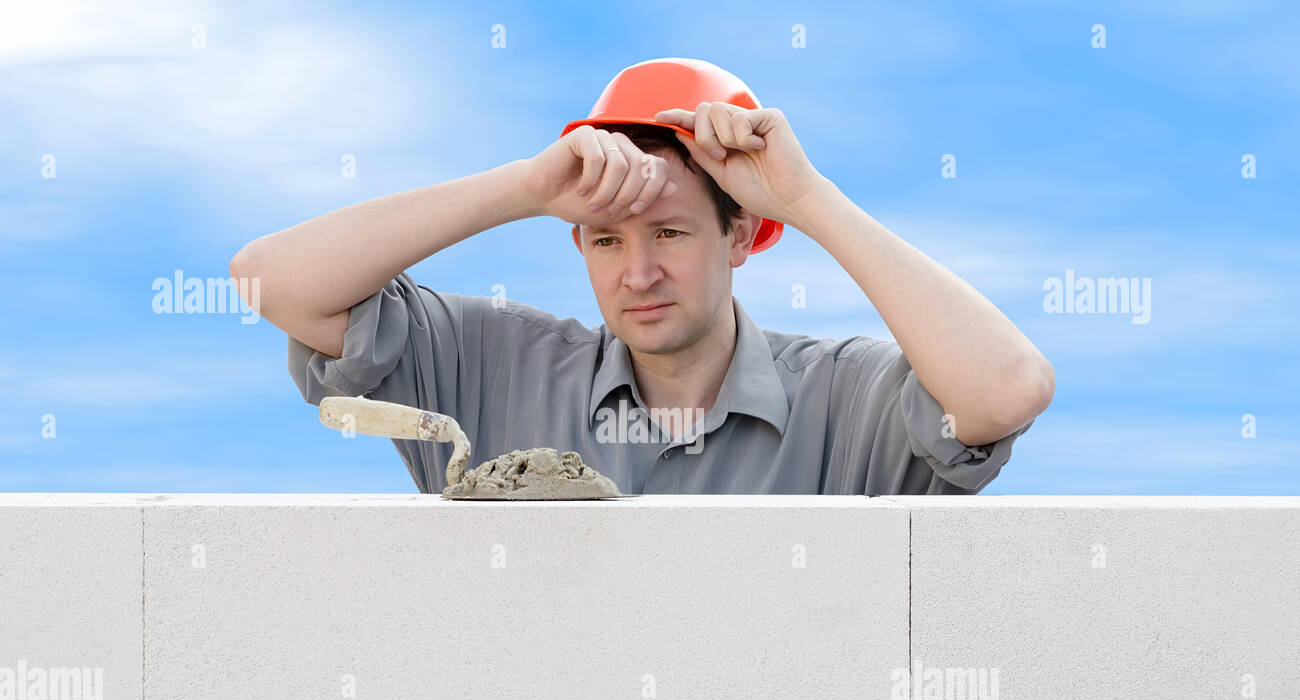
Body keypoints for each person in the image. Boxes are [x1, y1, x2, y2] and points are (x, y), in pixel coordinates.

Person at [231, 60, 1053, 496]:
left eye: (669, 231)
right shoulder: (495, 368)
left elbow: (1007, 389)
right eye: (605, 241)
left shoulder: (846, 398)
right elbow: (271, 283)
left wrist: (807, 198)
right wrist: (524, 187)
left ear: (741, 236)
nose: (640, 273)